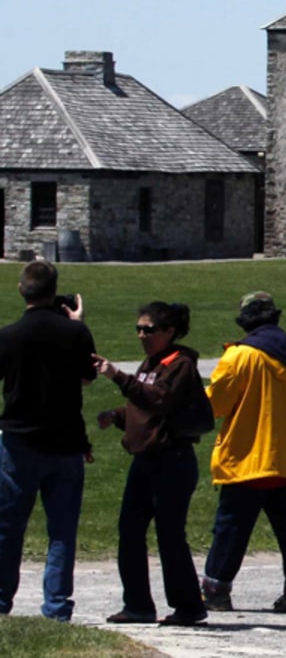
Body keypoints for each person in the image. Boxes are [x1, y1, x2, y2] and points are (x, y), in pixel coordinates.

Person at [94, 302, 212, 626]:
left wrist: (117, 375)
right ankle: (137, 605)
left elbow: (159, 400)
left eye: (149, 329)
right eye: (139, 329)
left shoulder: (180, 364)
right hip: (146, 460)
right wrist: (116, 416)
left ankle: (189, 606)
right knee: (130, 531)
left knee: (169, 535)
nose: (141, 335)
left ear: (169, 331)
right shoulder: (153, 362)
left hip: (172, 461)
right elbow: (141, 404)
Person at [201, 292, 286, 615]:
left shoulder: (240, 356)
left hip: (248, 458)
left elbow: (216, 404)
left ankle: (216, 589)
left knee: (230, 530)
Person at [0, 261, 95, 622]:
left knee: (8, 528)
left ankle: (0, 601)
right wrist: (78, 325)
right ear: (54, 291)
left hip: (19, 441)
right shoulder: (75, 333)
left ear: (22, 291)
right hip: (66, 442)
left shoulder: (8, 335)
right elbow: (88, 379)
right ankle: (56, 608)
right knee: (61, 532)